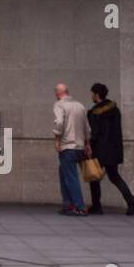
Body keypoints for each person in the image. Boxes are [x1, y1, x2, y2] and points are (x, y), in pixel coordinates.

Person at [87, 83, 134, 216]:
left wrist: (89, 145)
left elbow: (96, 133)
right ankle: (131, 200)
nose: (91, 96)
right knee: (114, 176)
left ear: (97, 95)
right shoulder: (115, 109)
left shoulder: (94, 113)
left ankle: (97, 206)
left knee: (94, 178)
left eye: (92, 93)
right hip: (114, 149)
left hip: (99, 149)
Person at [53, 82, 89, 216]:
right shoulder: (80, 105)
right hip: (79, 146)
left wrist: (57, 140)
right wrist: (87, 143)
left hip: (67, 146)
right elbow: (86, 126)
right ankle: (68, 204)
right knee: (64, 174)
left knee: (70, 176)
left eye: (56, 92)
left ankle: (79, 206)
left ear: (58, 93)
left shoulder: (59, 105)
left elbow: (59, 123)